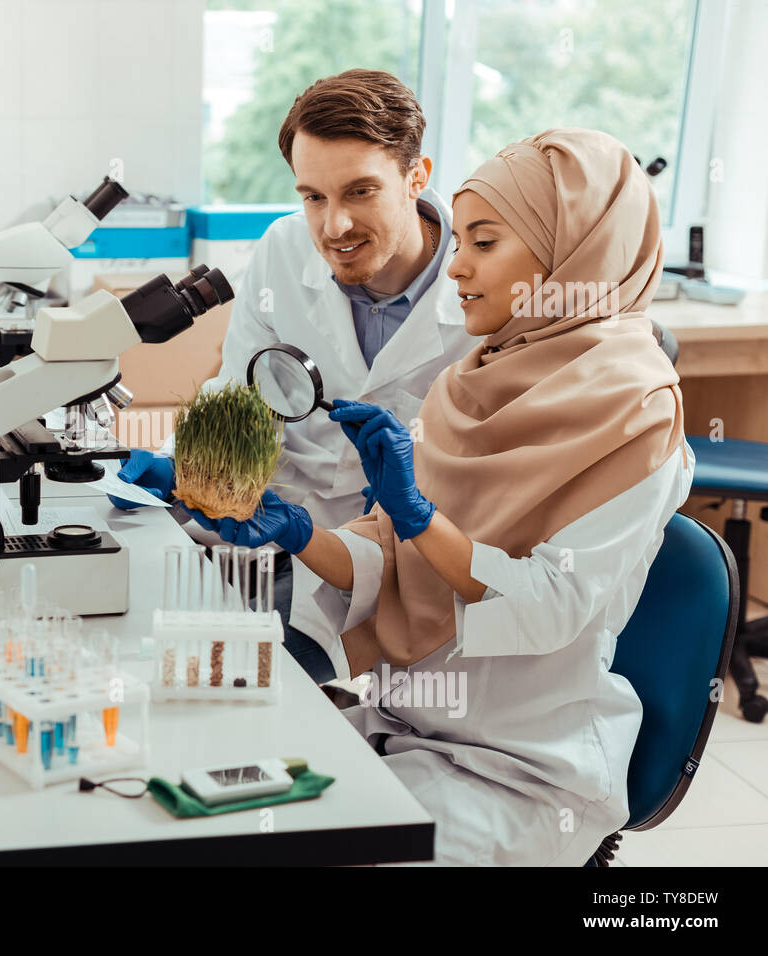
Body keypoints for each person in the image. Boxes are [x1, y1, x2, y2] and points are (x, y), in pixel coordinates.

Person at [183, 128, 693, 866]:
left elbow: (549, 606)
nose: (456, 268)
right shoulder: (469, 383)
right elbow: (387, 558)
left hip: (522, 768)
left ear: (572, 256)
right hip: (409, 728)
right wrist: (297, 532)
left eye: (483, 244)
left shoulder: (639, 415)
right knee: (215, 813)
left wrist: (423, 520)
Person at [109, 70, 477, 685]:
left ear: (417, 176)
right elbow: (240, 398)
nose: (334, 227)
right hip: (263, 534)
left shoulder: (480, 292)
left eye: (360, 192)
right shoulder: (282, 249)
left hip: (392, 573)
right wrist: (187, 473)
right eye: (313, 196)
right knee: (146, 652)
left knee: (253, 695)